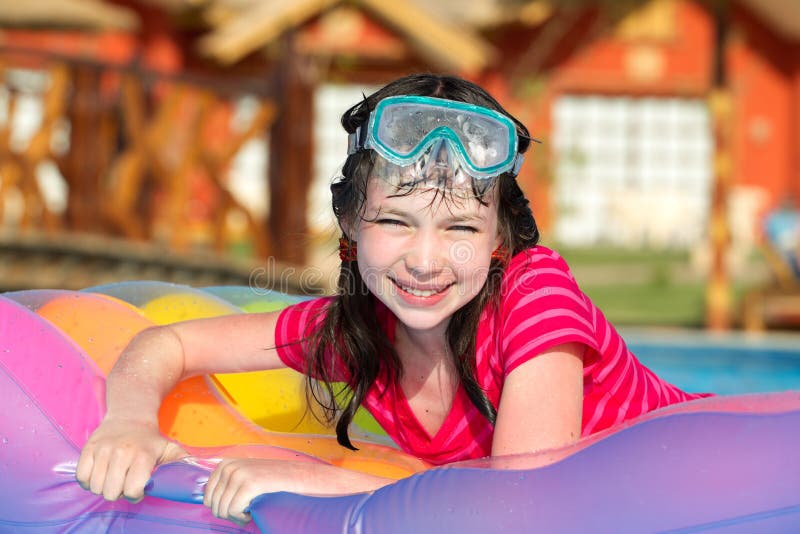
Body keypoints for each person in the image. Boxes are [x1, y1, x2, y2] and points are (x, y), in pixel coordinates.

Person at [77, 73, 709, 524]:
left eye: (460, 228)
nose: (425, 260)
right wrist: (128, 421)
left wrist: (325, 483)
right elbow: (168, 342)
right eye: (395, 222)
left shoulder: (534, 295)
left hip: (713, 485)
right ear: (351, 225)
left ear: (499, 241)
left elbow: (520, 508)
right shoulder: (353, 329)